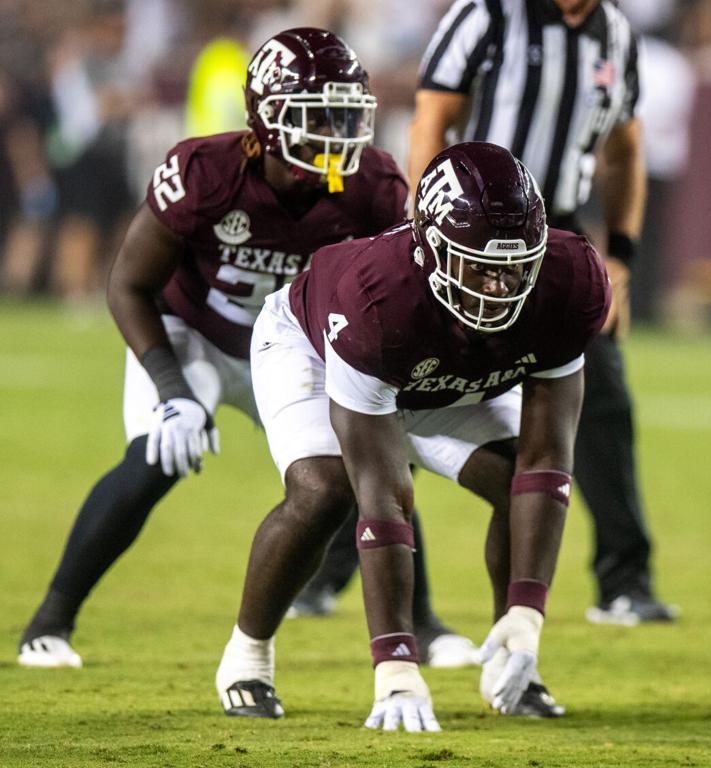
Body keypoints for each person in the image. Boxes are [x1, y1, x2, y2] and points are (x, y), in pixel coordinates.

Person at [15, 27, 461, 670]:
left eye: (347, 113)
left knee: (373, 459)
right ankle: (50, 621)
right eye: (319, 114)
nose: (339, 132)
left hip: (292, 347)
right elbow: (128, 284)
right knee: (157, 459)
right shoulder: (207, 172)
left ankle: (423, 622)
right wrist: (172, 392)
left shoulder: (370, 186)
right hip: (192, 332)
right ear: (269, 119)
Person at [214, 141, 609, 728]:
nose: (499, 287)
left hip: (447, 374)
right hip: (320, 349)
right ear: (428, 248)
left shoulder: (570, 282)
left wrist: (529, 614)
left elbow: (547, 459)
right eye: (479, 265)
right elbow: (384, 497)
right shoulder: (378, 301)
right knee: (326, 491)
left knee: (514, 484)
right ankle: (247, 654)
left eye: (515, 266)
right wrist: (395, 664)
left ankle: (512, 660)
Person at [408, 0, 677, 624]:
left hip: (555, 237)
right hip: (466, 236)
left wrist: (621, 256)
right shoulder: (488, 14)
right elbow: (432, 120)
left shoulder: (616, 34)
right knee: (409, 387)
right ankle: (338, 563)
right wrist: (424, 234)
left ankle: (625, 581)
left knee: (603, 398)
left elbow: (624, 151)